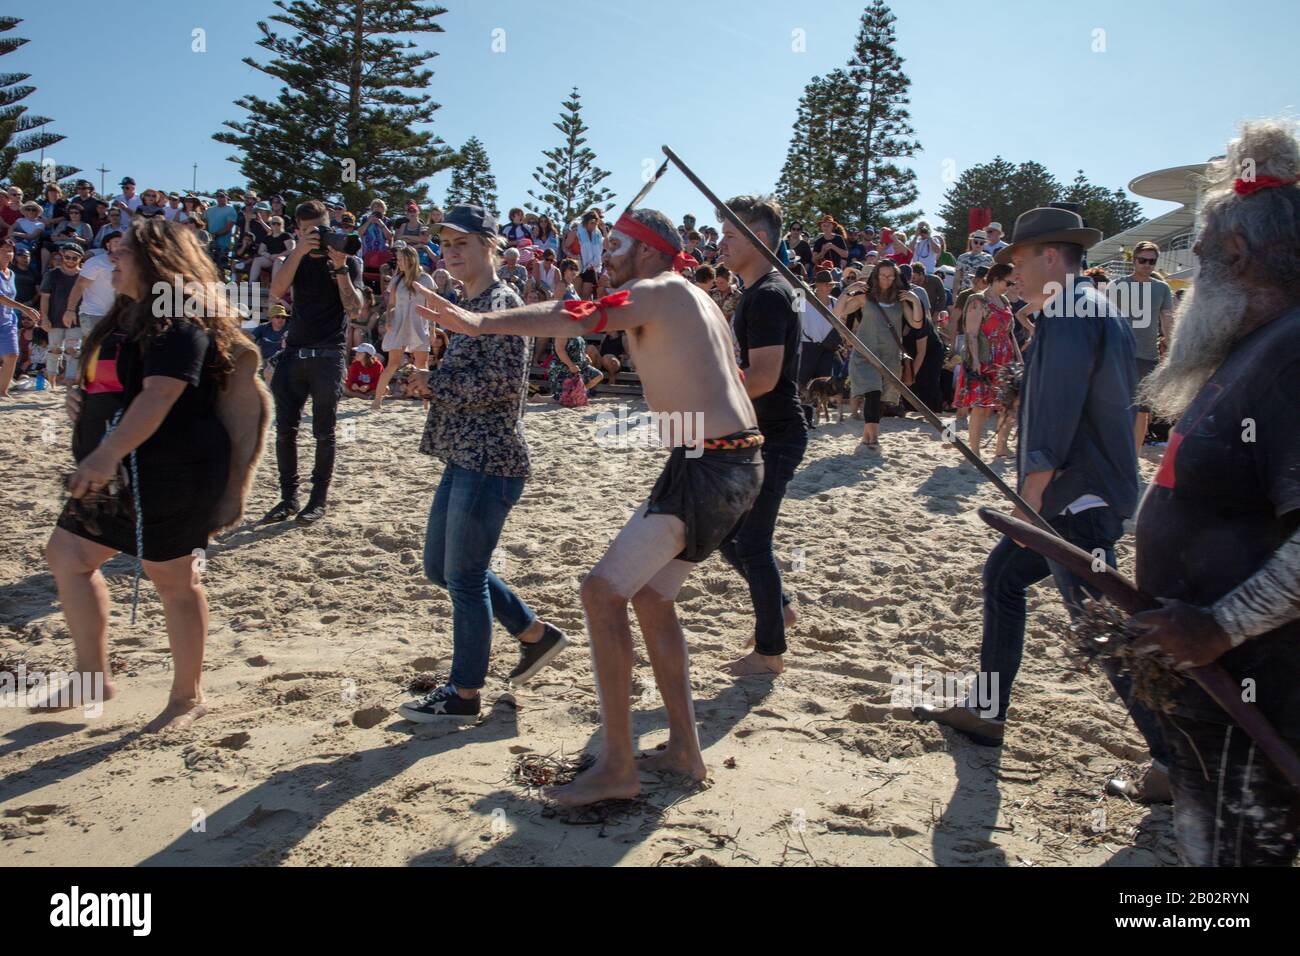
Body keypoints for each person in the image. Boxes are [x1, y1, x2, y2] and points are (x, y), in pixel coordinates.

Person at [418, 206, 762, 805]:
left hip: (711, 466)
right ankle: (683, 749)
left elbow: (579, 316)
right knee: (652, 598)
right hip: (723, 462)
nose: (607, 257)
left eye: (620, 245)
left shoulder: (657, 290)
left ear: (652, 251)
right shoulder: (697, 298)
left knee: (601, 592)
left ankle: (618, 768)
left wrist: (478, 322)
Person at [915, 207, 1172, 795]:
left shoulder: (1068, 314)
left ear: (1051, 255)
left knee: (1099, 625)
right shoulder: (1086, 309)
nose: (1013, 274)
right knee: (1004, 577)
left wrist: (1028, 509)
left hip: (1074, 501)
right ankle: (987, 710)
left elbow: (1054, 419)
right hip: (1085, 492)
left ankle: (1176, 761)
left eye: (1020, 261)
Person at [1123, 121, 1300, 862]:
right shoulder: (1254, 347)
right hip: (1215, 686)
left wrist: (1222, 625)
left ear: (1237, 255)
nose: (1188, 269)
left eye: (1199, 253)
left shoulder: (1292, 353)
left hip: (1259, 689)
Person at [44, 217, 269, 731]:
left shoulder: (177, 319)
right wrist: (87, 400)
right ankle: (91, 676)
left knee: (172, 579)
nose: (112, 260)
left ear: (153, 261)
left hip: (171, 473)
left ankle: (187, 697)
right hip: (117, 473)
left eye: (122, 253)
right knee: (68, 555)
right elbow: (122, 385)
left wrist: (103, 455)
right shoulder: (124, 318)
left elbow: (161, 394)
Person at [391, 204, 568, 724]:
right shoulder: (466, 303)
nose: (451, 251)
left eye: (462, 243)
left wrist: (432, 383)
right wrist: (429, 383)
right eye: (445, 244)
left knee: (463, 576)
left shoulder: (502, 304)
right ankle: (537, 636)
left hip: (492, 458)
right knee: (441, 569)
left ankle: (464, 694)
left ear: (491, 246)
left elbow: (502, 386)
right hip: (466, 454)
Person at [714, 195, 807, 677]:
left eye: (731, 233)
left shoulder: (769, 293)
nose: (720, 241)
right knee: (731, 535)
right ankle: (782, 608)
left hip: (775, 433)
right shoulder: (759, 291)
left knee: (750, 542)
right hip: (757, 431)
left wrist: (711, 404)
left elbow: (766, 377)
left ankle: (769, 652)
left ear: (761, 239)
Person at [260, 200, 363, 526]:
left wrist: (341, 267)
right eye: (308, 231)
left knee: (324, 432)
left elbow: (355, 309)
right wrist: (299, 252)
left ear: (329, 224)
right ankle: (287, 499)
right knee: (285, 431)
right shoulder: (296, 259)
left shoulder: (346, 258)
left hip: (329, 355)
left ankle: (317, 501)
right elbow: (277, 291)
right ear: (298, 231)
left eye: (320, 229)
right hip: (294, 353)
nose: (316, 236)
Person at [836, 257, 917, 450]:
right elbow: (838, 311)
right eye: (883, 276)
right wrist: (848, 290)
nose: (887, 280)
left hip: (890, 355)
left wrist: (916, 301)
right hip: (866, 353)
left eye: (890, 276)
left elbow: (917, 323)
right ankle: (874, 439)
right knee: (873, 392)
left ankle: (866, 436)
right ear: (876, 277)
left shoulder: (899, 299)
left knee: (881, 400)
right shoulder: (866, 297)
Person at [1109, 240, 1175, 457]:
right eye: (1143, 260)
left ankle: (1133, 456)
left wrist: (1171, 347)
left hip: (1148, 356)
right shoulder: (1117, 285)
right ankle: (1114, 453)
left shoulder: (1162, 288)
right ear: (1134, 260)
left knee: (1143, 411)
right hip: (1120, 354)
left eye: (1151, 261)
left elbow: (1167, 321)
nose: (1147, 265)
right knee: (1117, 407)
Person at [953, 261, 1018, 459]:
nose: (1012, 286)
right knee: (980, 406)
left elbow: (1010, 334)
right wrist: (975, 361)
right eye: (1009, 282)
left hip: (1004, 358)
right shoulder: (977, 301)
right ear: (996, 279)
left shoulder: (1004, 302)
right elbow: (971, 333)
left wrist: (1018, 358)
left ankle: (1001, 447)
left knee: (1008, 404)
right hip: (984, 356)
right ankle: (973, 450)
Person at [373, 245, 434, 411]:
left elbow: (432, 305)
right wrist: (389, 319)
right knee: (392, 364)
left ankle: (426, 403)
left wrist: (433, 330)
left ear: (410, 259)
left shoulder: (425, 279)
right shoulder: (397, 279)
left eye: (400, 259)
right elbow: (391, 305)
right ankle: (376, 402)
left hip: (419, 324)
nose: (398, 262)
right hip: (399, 325)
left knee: (422, 365)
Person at [63, 231, 121, 362]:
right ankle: (86, 381)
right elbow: (79, 286)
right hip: (93, 314)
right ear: (108, 245)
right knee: (94, 353)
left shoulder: (128, 264)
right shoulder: (96, 263)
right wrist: (70, 310)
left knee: (110, 355)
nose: (120, 246)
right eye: (116, 242)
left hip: (116, 316)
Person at [0, 240, 41, 397]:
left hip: (7, 321)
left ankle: (2, 392)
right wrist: (25, 308)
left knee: (12, 355)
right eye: (3, 250)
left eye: (10, 251)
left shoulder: (12, 274)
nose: (7, 253)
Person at [40, 246, 84, 386]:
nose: (70, 260)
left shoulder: (84, 275)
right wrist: (44, 318)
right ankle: (52, 382)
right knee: (54, 350)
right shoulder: (52, 274)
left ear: (80, 259)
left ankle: (69, 381)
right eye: (67, 257)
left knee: (73, 350)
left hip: (76, 319)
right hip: (54, 318)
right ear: (62, 256)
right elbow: (45, 297)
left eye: (74, 258)